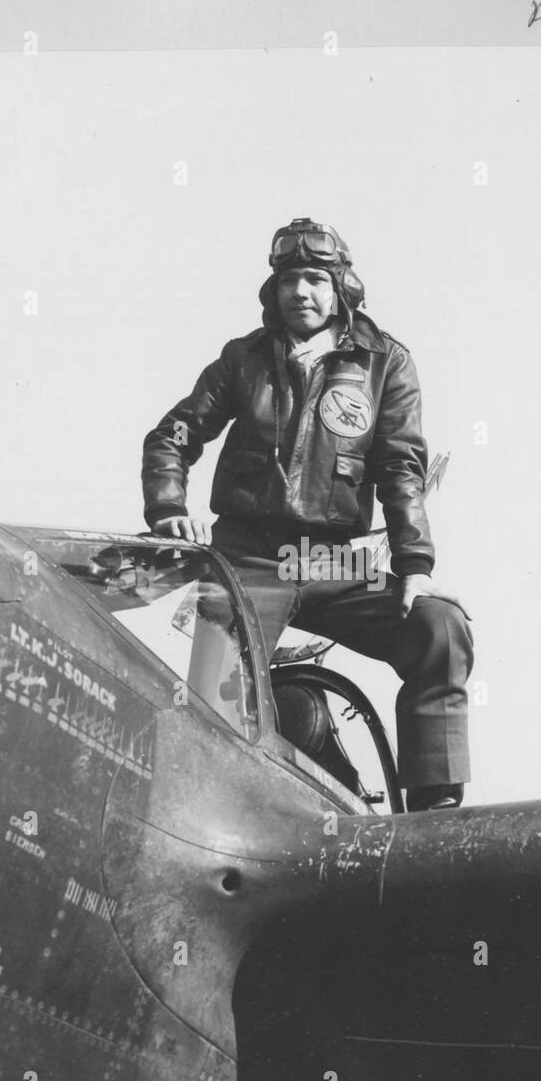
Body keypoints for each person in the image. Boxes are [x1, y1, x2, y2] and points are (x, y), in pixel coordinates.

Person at [142, 218, 473, 810]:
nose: (302, 291)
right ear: (274, 290)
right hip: (246, 560)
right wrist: (168, 509)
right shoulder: (242, 360)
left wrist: (415, 563)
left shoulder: (384, 364)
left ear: (341, 286)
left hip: (332, 561)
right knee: (218, 704)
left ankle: (433, 812)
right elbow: (173, 436)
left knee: (439, 628)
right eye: (290, 278)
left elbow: (401, 467)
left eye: (316, 278)